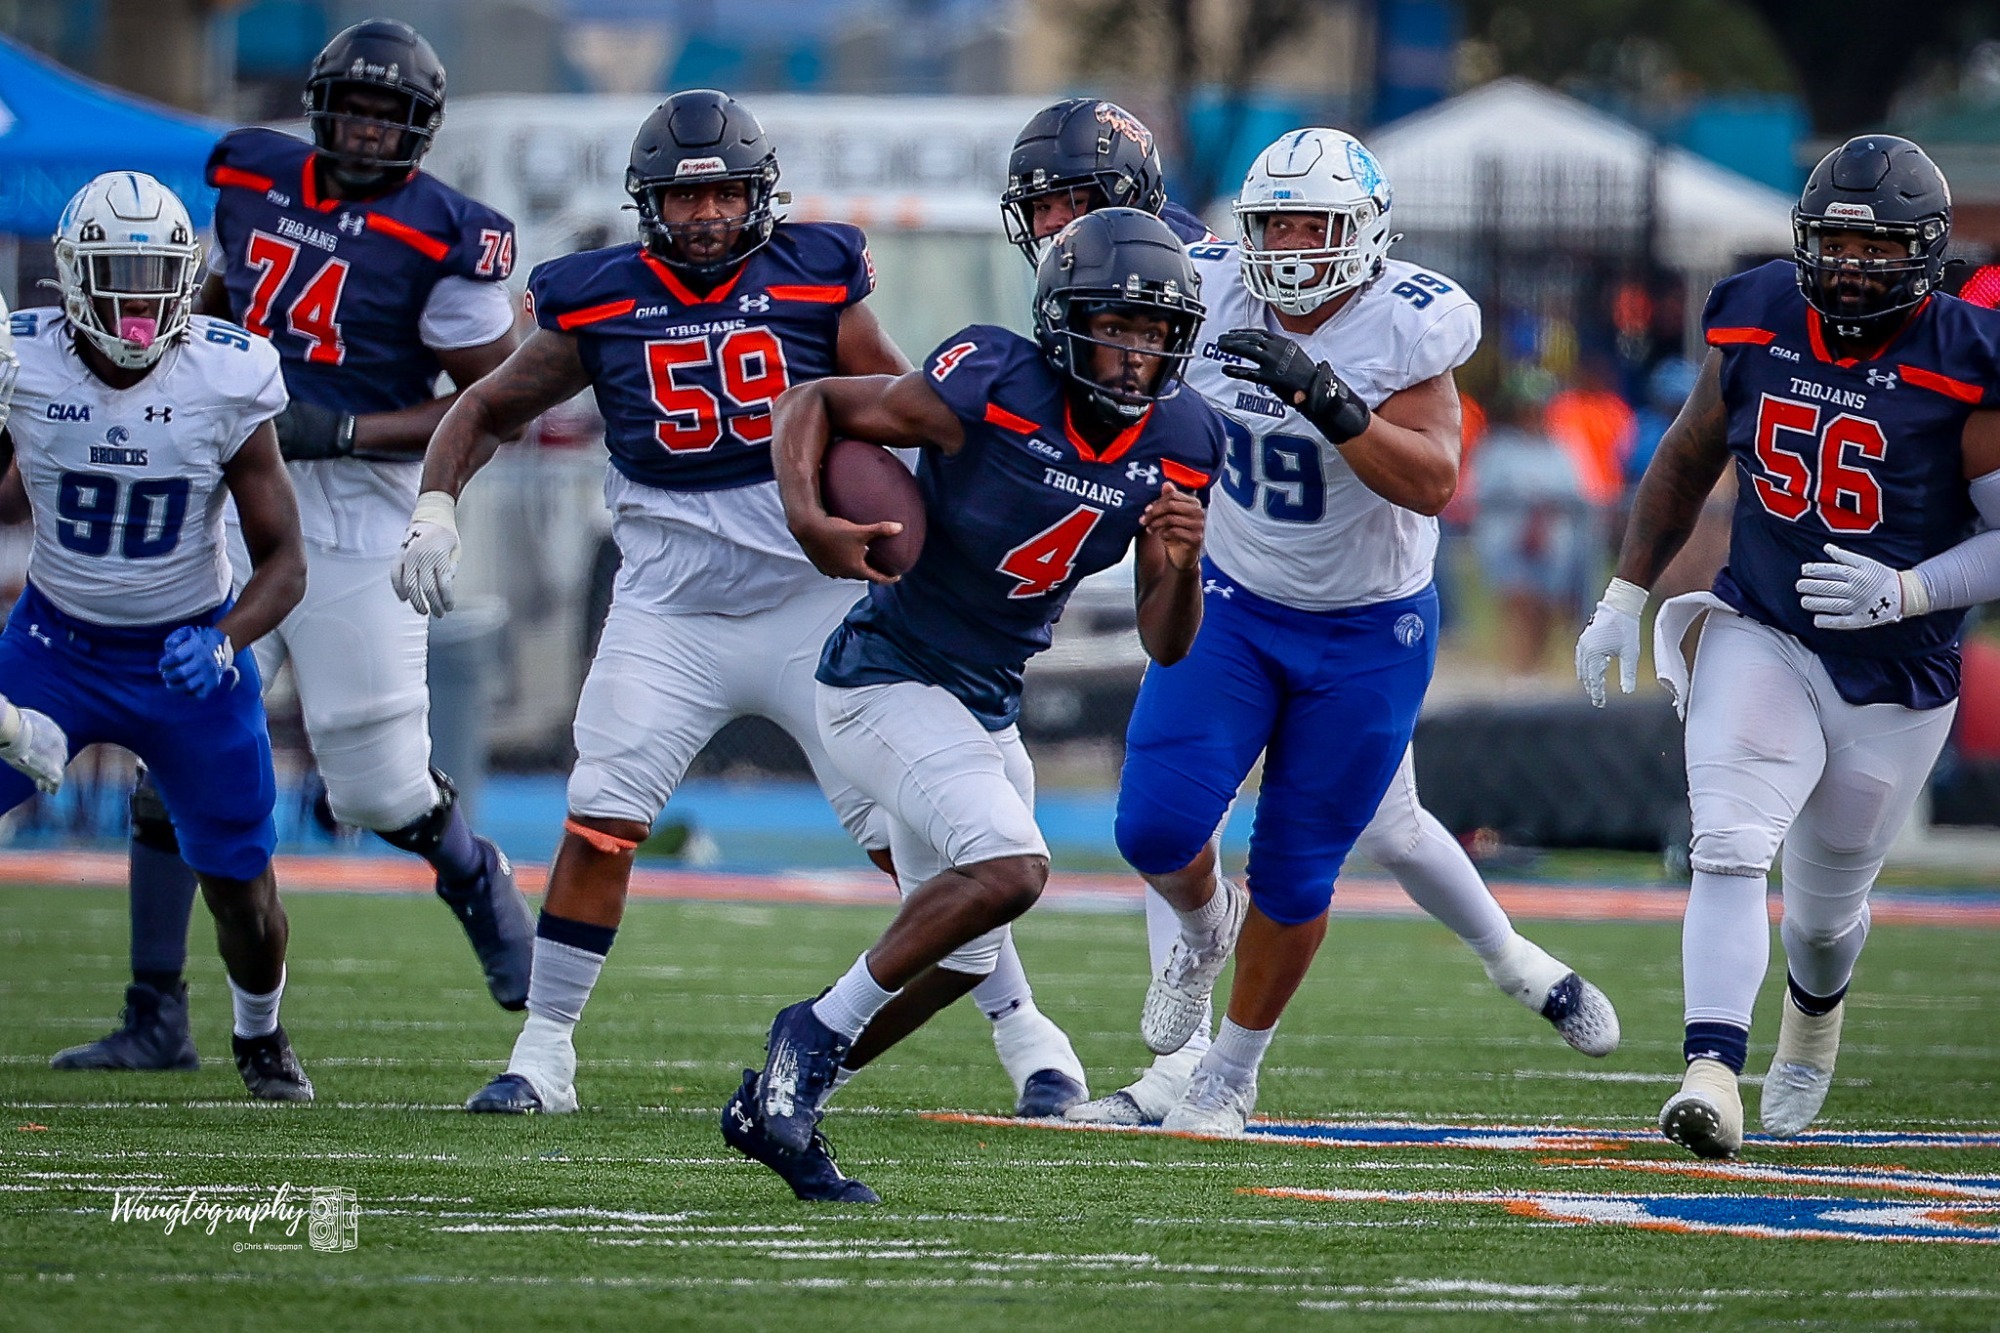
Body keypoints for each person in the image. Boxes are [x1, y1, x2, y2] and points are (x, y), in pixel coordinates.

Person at [992, 110, 1618, 1133]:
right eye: (1273, 227)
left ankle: (1225, 1078)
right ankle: (1201, 940)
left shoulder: (1409, 321)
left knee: (1300, 865)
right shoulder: (1207, 284)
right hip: (1235, 602)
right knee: (1153, 822)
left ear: (1366, 231)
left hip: (1367, 630)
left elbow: (1430, 479)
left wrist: (1329, 402)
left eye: (1311, 227)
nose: (1288, 249)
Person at [398, 90, 912, 1117]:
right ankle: (543, 1055)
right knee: (598, 821)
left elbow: (903, 407)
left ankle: (1029, 1041)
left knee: (913, 834)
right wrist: (435, 504)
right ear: (647, 207)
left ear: (760, 195)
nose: (708, 218)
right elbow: (487, 403)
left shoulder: (816, 278)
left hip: (816, 603)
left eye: (725, 194)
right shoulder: (599, 297)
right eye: (686, 200)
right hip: (669, 611)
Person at [49, 19, 534, 1074]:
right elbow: (208, 307)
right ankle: (156, 1012)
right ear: (320, 107)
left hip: (360, 515)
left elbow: (497, 402)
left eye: (383, 113)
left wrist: (352, 428)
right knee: (167, 753)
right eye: (350, 108)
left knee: (374, 787)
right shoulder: (254, 173)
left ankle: (470, 869)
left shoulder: (449, 233)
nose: (363, 131)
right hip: (233, 497)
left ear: (417, 127)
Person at [727, 207, 1225, 1202]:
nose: (1135, 354)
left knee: (961, 956)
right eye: (1116, 326)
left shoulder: (1183, 438)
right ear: (1062, 318)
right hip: (884, 676)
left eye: (1156, 332)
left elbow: (1165, 641)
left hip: (982, 702)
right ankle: (804, 1042)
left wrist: (1183, 563)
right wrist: (809, 519)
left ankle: (779, 1102)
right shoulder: (990, 384)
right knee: (1009, 868)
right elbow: (812, 400)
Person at [1577, 135, 2000, 1158]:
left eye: (1876, 247)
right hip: (1759, 626)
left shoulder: (1960, 358)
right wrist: (1623, 595)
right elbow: (1683, 461)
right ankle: (1710, 1069)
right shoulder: (1757, 312)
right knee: (1725, 843)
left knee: (1821, 911)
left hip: (1897, 672)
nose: (1851, 267)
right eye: (1836, 244)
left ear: (1924, 253)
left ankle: (1813, 1013)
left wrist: (1909, 587)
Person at [7, 173, 311, 1098]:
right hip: (53, 646)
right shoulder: (24, 364)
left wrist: (223, 641)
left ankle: (259, 1035)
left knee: (243, 886)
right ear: (71, 277)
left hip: (189, 654)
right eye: (118, 273)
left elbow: (286, 561)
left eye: (157, 274)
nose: (140, 299)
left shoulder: (227, 374)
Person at [1470, 383, 1591, 676]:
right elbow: (1480, 490)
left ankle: (1536, 669)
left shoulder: (1562, 448)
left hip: (1552, 543)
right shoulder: (1496, 447)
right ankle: (1514, 669)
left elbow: (1578, 492)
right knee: (1518, 601)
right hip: (1506, 541)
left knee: (1545, 608)